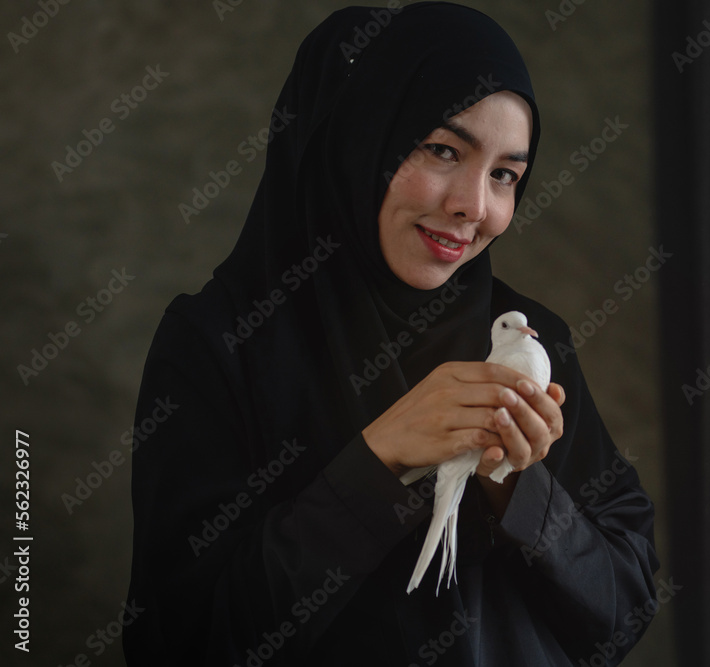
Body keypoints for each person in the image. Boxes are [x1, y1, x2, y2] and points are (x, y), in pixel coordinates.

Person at [124, 3, 659, 665]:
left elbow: (623, 613)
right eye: (441, 149)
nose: (474, 205)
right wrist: (377, 461)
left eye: (504, 175)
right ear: (358, 139)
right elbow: (176, 644)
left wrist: (517, 486)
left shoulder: (531, 338)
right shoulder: (218, 344)